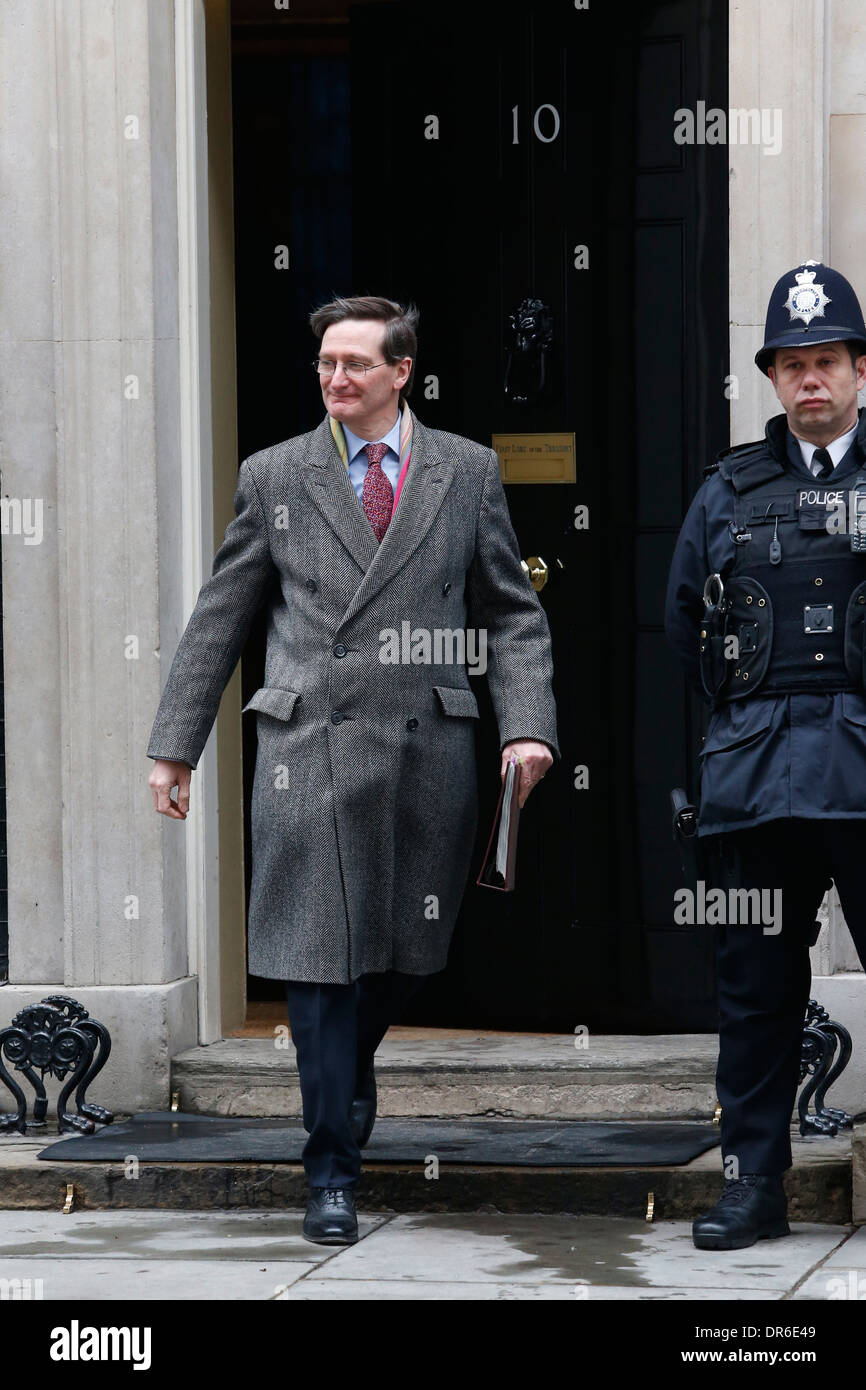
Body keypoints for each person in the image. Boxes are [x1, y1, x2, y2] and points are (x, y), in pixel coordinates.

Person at [147, 296, 559, 1244]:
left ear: (401, 371)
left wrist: (526, 725)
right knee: (318, 970)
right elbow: (223, 614)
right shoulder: (276, 474)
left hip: (429, 752)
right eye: (325, 363)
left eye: (355, 365)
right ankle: (330, 1167)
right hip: (309, 750)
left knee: (405, 956)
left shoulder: (466, 470)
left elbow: (511, 613)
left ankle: (347, 1070)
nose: (335, 379)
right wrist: (174, 746)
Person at [665, 261, 866, 1251]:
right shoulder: (725, 492)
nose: (809, 381)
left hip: (863, 781)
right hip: (752, 788)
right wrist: (693, 783)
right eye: (791, 366)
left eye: (824, 360)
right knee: (751, 999)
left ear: (857, 370)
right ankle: (752, 1189)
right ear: (773, 379)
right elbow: (679, 637)